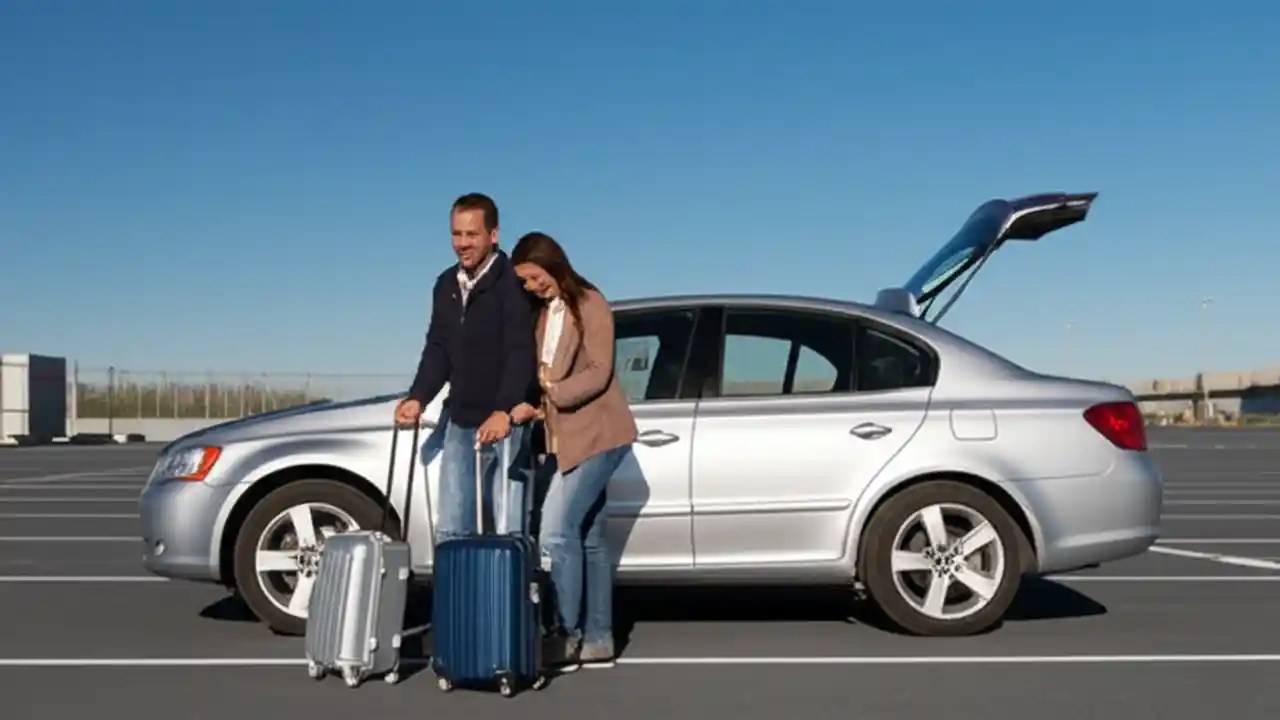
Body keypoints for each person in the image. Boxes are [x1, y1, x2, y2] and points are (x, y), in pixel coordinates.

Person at [509, 231, 638, 668]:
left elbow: (600, 372)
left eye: (533, 277)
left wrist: (553, 391)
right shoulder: (547, 315)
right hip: (568, 439)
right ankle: (599, 638)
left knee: (556, 532)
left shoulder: (590, 302)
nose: (532, 286)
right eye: (524, 282)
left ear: (551, 263)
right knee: (590, 540)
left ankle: (566, 633)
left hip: (601, 435)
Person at [395, 192, 538, 541]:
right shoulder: (446, 284)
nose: (462, 243)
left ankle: (508, 595)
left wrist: (503, 410)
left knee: (506, 529)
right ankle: (459, 595)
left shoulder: (511, 284)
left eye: (471, 234)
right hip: (461, 420)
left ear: (493, 235)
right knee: (453, 527)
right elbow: (439, 347)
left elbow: (521, 351)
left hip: (505, 424)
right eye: (456, 234)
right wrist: (419, 396)